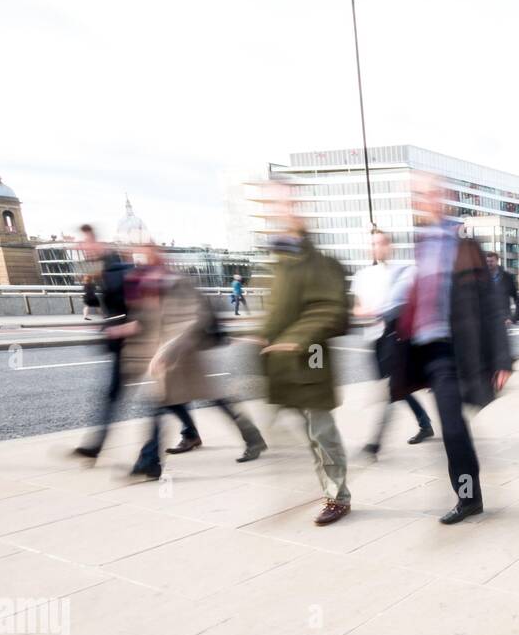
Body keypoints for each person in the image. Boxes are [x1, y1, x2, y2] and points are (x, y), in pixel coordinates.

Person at [387, 171, 513, 525]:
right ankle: (469, 494)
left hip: (453, 350)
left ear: (440, 196)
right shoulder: (420, 243)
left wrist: (501, 357)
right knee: (451, 423)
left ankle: (468, 497)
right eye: (416, 194)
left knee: (453, 426)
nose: (421, 200)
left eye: (427, 193)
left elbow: (490, 303)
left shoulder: (463, 241)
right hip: (421, 349)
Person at [255, 180, 352, 527]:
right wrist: (263, 333)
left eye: (283, 204)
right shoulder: (279, 261)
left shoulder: (318, 262)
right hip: (281, 362)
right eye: (271, 205)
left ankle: (337, 496)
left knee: (321, 431)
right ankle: (327, 487)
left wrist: (297, 338)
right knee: (304, 433)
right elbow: (278, 308)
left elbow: (331, 309)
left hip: (311, 356)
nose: (277, 211)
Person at [129, 246, 267, 478]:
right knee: (161, 403)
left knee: (215, 401)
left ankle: (253, 438)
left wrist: (167, 350)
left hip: (185, 357)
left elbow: (195, 320)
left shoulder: (179, 283)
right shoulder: (154, 286)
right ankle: (152, 459)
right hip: (170, 358)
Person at [354, 230, 435, 459]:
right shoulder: (363, 275)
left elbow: (405, 302)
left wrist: (382, 311)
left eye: (381, 243)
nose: (377, 247)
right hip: (373, 338)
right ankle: (425, 423)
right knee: (395, 388)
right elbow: (357, 307)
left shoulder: (404, 271)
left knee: (390, 390)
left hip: (395, 339)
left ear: (390, 246)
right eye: (373, 244)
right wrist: (365, 311)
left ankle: (375, 443)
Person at [73, 225, 135, 460]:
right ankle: (95, 446)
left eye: (84, 242)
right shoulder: (99, 269)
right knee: (113, 393)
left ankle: (96, 446)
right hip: (121, 342)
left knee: (167, 395)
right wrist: (88, 283)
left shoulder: (117, 266)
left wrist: (128, 324)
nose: (81, 248)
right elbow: (94, 301)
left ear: (96, 242)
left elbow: (136, 301)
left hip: (134, 340)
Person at [485, 252, 519, 324]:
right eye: (487, 261)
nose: (489, 263)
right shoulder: (481, 277)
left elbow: (517, 298)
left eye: (491, 261)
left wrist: (514, 318)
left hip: (503, 320)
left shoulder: (507, 277)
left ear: (497, 261)